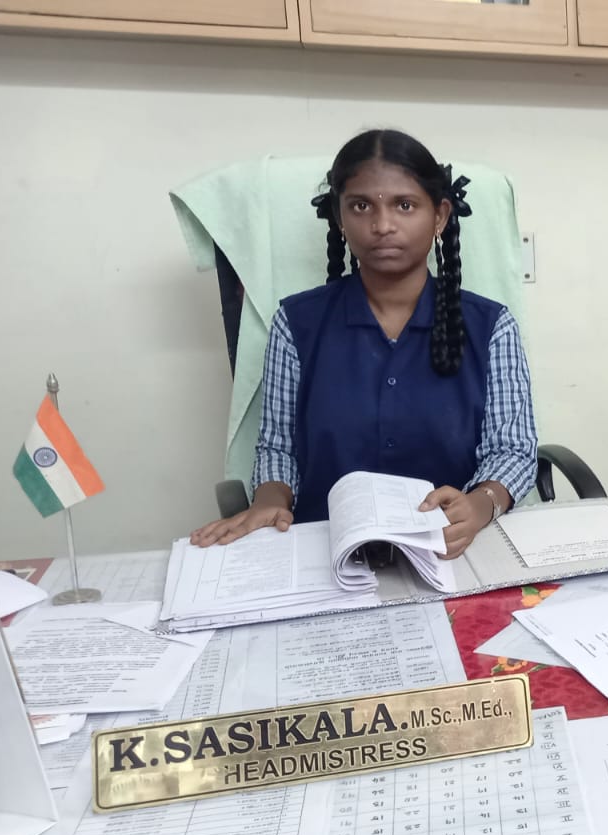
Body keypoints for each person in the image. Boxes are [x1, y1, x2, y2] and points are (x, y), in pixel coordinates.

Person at [190, 129, 537, 559]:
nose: (382, 225)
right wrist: (269, 501)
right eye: (360, 206)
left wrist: (482, 503)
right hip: (327, 553)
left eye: (404, 205)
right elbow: (278, 447)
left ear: (440, 216)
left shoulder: (491, 326)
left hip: (453, 553)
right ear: (339, 216)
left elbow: (513, 450)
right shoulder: (296, 324)